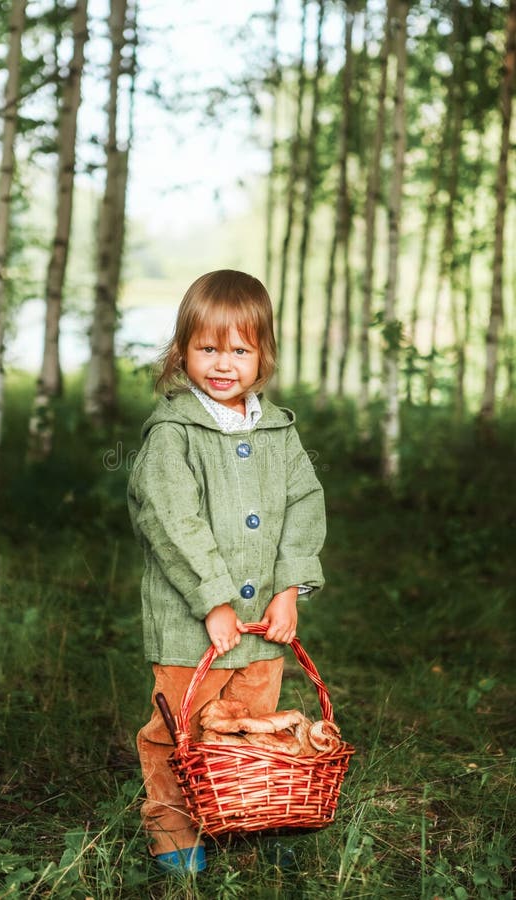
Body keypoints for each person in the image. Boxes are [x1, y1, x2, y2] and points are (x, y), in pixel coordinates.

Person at [127, 269, 326, 873]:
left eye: (239, 349)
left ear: (262, 355)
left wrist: (289, 588)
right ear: (181, 349)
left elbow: (304, 504)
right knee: (177, 729)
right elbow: (171, 520)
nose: (222, 363)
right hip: (193, 628)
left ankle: (245, 805)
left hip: (262, 622)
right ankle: (172, 823)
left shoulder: (277, 430)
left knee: (251, 724)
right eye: (207, 348)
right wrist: (214, 599)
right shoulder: (173, 432)